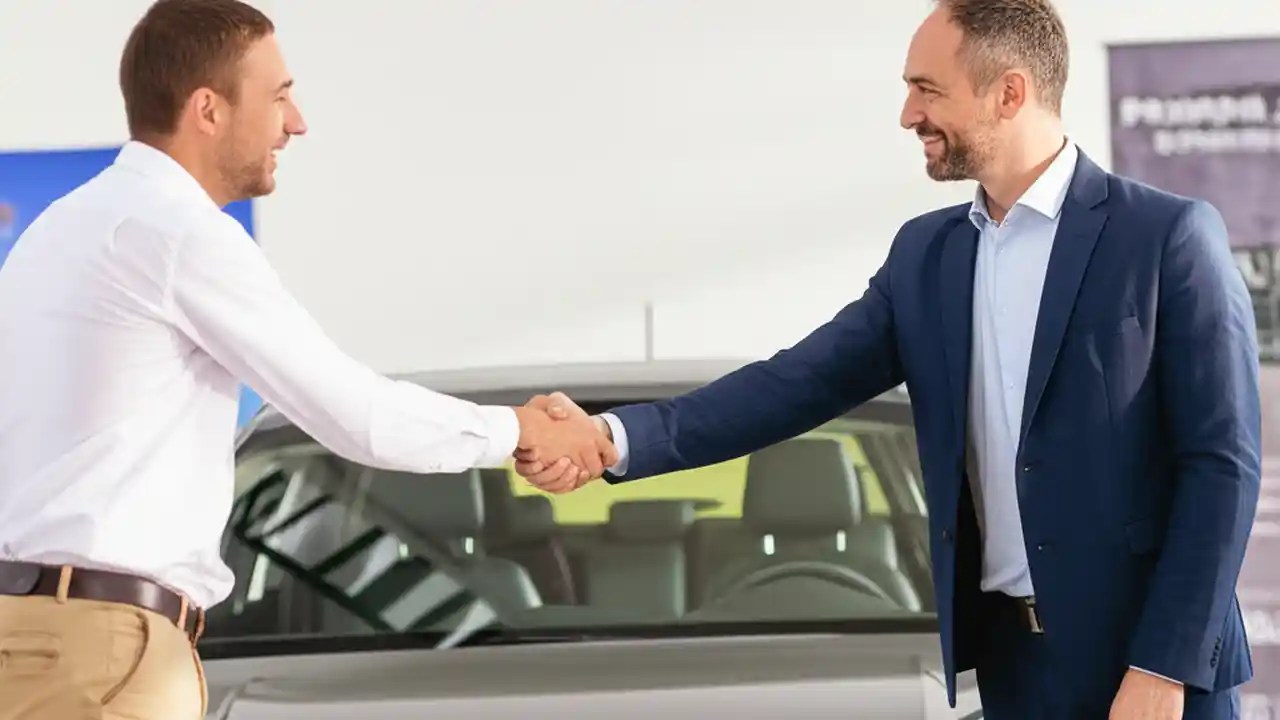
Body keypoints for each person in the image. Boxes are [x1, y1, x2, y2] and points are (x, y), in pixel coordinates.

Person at [515, 0, 1260, 717]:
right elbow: (794, 383)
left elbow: (1220, 464)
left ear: (1010, 93)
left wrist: (1163, 667)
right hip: (1013, 668)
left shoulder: (1166, 239)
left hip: (1153, 671)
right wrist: (610, 438)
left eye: (926, 90)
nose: (909, 115)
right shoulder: (926, 256)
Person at [0, 1, 614, 717]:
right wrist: (522, 429)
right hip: (104, 648)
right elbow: (357, 416)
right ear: (208, 109)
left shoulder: (62, 229)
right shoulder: (178, 233)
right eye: (280, 96)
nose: (297, 122)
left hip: (32, 633)